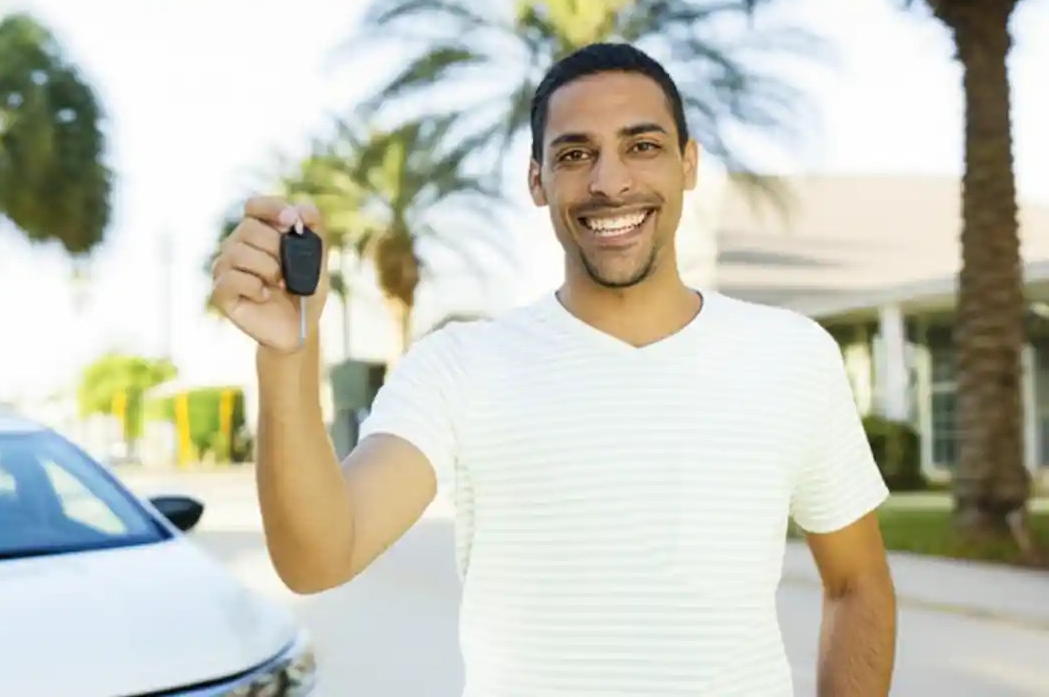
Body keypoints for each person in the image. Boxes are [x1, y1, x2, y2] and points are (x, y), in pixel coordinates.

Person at [210, 42, 897, 696]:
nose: (609, 181)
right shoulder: (460, 367)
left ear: (688, 163)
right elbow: (318, 557)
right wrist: (288, 355)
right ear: (537, 180)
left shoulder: (792, 356)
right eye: (575, 154)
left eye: (643, 146)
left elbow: (858, 583)